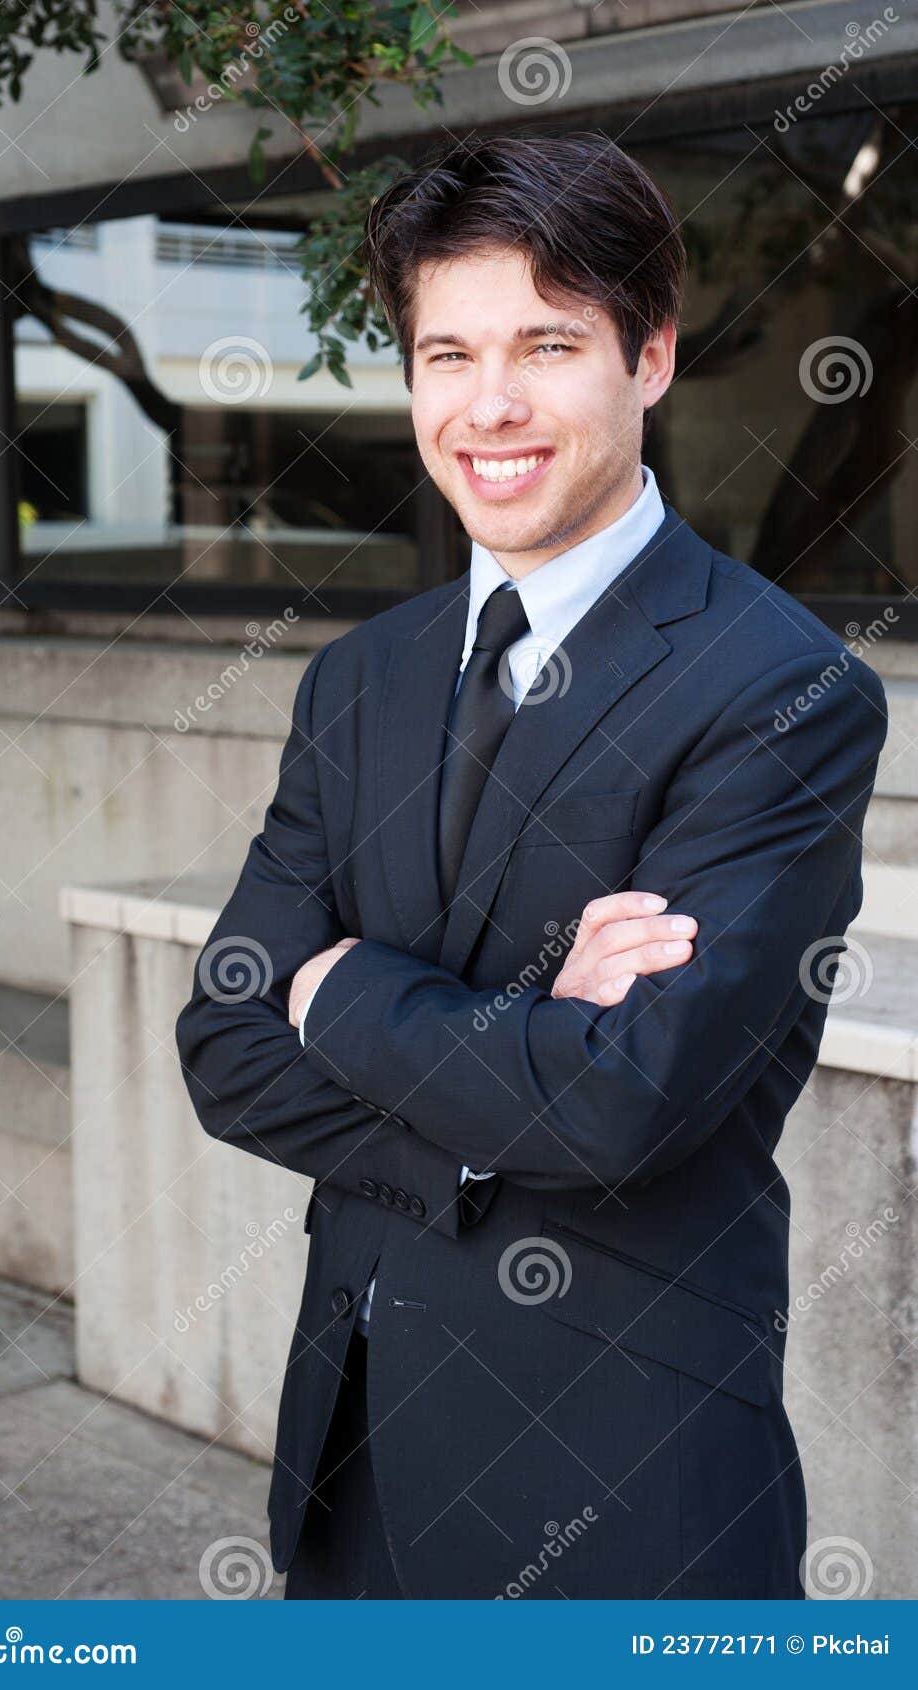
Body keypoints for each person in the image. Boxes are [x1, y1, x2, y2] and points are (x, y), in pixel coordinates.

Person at [176, 131, 888, 1599]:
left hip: (621, 1472)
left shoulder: (781, 687)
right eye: (446, 353)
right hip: (353, 1449)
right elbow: (225, 1042)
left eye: (546, 343)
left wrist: (346, 987)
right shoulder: (356, 682)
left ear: (650, 357)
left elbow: (626, 1097)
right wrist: (511, 1049)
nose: (486, 404)